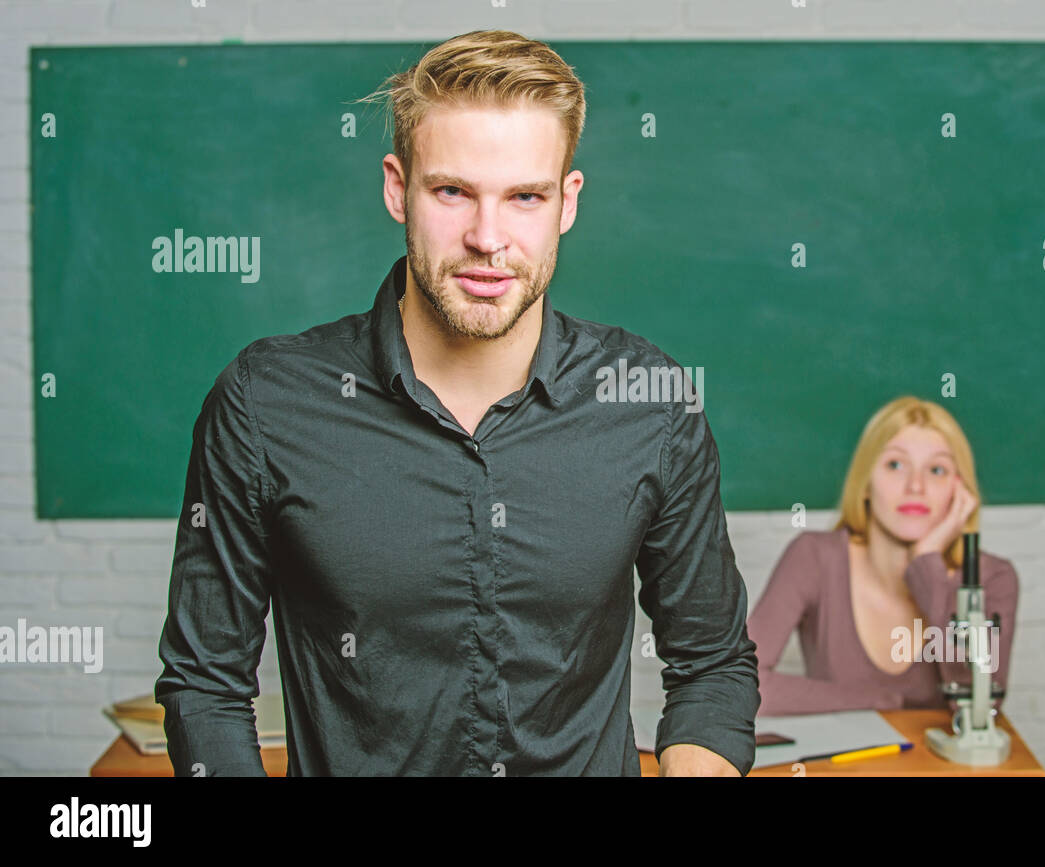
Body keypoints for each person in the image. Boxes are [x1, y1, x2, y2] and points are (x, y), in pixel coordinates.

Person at [155, 30, 758, 777]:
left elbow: (712, 664)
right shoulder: (263, 404)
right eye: (452, 192)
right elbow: (205, 683)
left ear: (566, 202)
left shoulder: (652, 403)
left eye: (524, 197)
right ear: (395, 186)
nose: (487, 238)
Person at [747, 396, 1019, 716]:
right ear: (864, 484)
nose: (916, 486)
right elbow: (740, 685)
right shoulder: (814, 557)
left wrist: (927, 563)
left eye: (937, 469)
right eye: (895, 465)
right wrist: (884, 702)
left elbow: (979, 703)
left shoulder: (993, 578)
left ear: (960, 493)